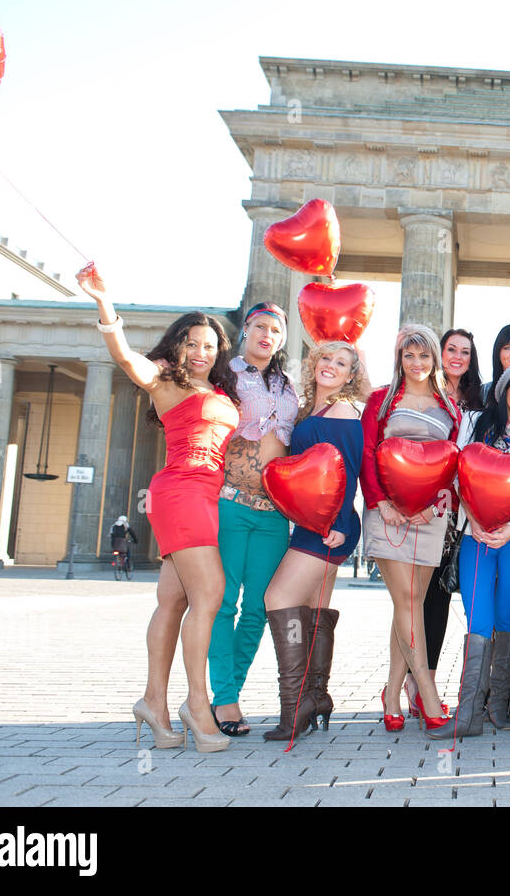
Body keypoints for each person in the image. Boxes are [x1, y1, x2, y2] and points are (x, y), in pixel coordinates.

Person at [77, 261, 239, 753]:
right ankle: (195, 703)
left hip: (207, 496)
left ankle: (154, 701)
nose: (200, 351)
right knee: (210, 593)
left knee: (174, 599)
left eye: (208, 345)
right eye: (191, 343)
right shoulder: (167, 383)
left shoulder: (221, 392)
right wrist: (105, 303)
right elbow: (126, 359)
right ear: (177, 347)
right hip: (181, 491)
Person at [431, 363, 510, 739]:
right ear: (503, 390)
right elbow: (459, 472)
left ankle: (497, 707)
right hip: (476, 532)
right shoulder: (476, 423)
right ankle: (468, 715)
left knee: (508, 617)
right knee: (478, 617)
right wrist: (474, 520)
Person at [262, 341, 367, 740]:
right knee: (314, 609)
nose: (331, 365)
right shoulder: (312, 407)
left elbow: (346, 471)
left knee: (278, 600)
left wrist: (338, 521)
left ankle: (294, 706)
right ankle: (317, 696)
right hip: (317, 521)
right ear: (314, 362)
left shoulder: (341, 412)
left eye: (342, 363)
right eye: (326, 358)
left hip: (330, 525)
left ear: (350, 376)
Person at [360, 325, 461, 732]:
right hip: (387, 515)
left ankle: (390, 692)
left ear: (434, 359)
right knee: (405, 597)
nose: (416, 364)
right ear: (399, 358)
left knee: (412, 603)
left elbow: (450, 462)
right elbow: (367, 452)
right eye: (408, 355)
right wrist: (380, 502)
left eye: (424, 356)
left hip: (428, 518)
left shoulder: (448, 407)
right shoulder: (381, 401)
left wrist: (437, 500)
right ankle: (426, 689)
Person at [210, 302, 298, 737]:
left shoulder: (287, 385)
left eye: (275, 330)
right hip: (229, 501)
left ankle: (230, 691)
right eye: (260, 326)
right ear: (245, 330)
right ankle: (224, 699)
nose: (267, 335)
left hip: (272, 513)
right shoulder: (224, 374)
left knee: (258, 609)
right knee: (224, 603)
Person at [422, 328, 485, 692]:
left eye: (465, 351)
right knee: (415, 596)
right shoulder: (424, 393)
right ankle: (406, 684)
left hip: (458, 513)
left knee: (440, 598)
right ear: (439, 352)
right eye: (451, 349)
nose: (458, 356)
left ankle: (426, 680)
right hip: (425, 503)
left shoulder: (478, 400)